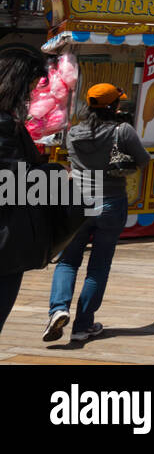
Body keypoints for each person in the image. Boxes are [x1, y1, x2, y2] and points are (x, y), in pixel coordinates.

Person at [42, 84, 152, 343]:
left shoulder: (73, 132)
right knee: (99, 265)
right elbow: (144, 160)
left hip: (78, 203)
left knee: (68, 261)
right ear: (114, 106)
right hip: (111, 203)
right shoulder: (122, 131)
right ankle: (82, 325)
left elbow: (72, 161)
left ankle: (58, 309)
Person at [0, 51, 47, 334]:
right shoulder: (4, 125)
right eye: (31, 85)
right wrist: (51, 174)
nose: (32, 93)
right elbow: (14, 182)